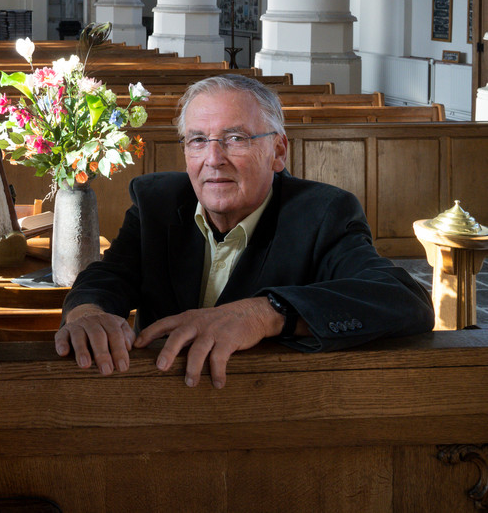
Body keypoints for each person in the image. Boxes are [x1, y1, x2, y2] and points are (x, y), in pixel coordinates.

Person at [55, 74, 433, 388]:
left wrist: (266, 313)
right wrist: (87, 311)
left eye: (236, 138)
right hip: (158, 398)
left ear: (279, 152)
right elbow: (110, 275)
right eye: (198, 140)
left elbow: (403, 299)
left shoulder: (323, 213)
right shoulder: (157, 200)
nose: (213, 159)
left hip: (273, 406)